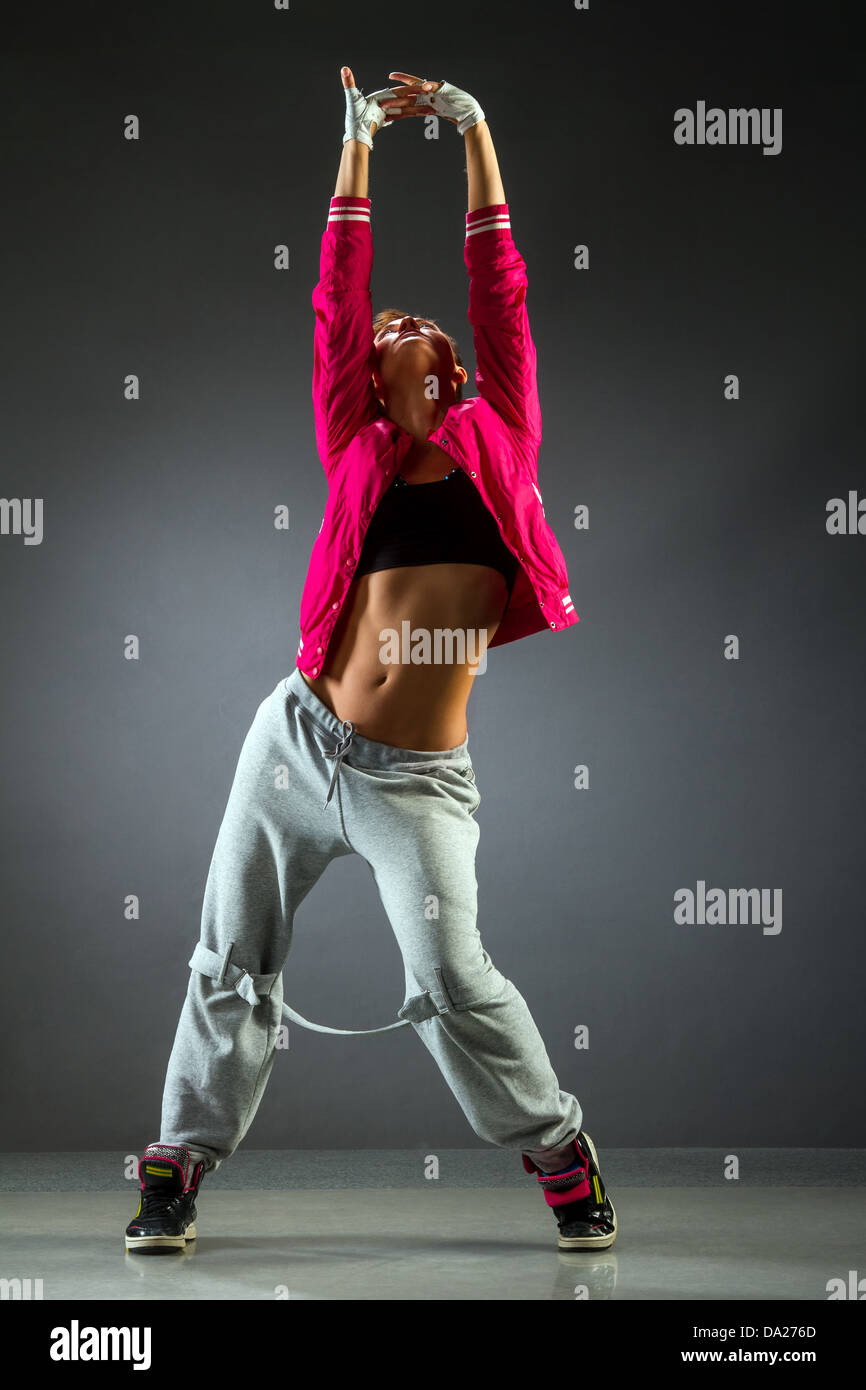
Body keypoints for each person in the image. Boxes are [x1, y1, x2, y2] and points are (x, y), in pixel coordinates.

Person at [125, 67, 616, 1255]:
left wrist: (473, 129)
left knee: (450, 975)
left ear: (443, 367)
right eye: (381, 328)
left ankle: (558, 1148)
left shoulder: (501, 435)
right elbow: (334, 296)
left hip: (415, 779)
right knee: (229, 953)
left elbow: (500, 280)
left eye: (410, 325)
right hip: (298, 738)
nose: (388, 327)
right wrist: (354, 149)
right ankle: (176, 1165)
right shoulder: (350, 446)